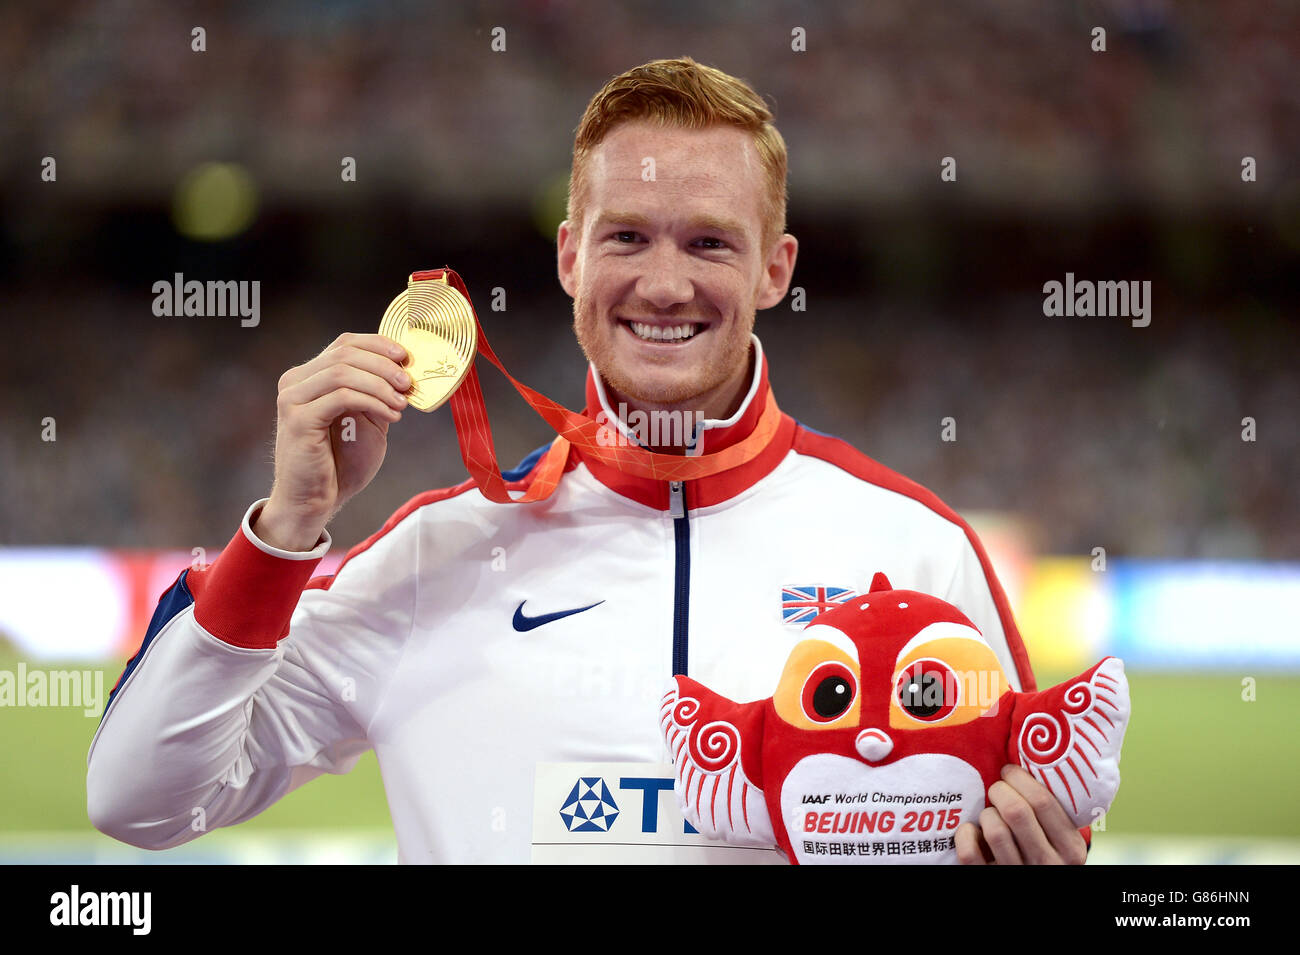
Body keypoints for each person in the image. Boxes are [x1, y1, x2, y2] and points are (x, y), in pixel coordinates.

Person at [87, 57, 1087, 865]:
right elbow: (137, 800)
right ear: (569, 257)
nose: (663, 283)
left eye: (707, 242)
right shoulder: (436, 554)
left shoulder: (917, 551)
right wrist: (285, 529)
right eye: (626, 237)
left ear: (774, 269)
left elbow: (1034, 834)